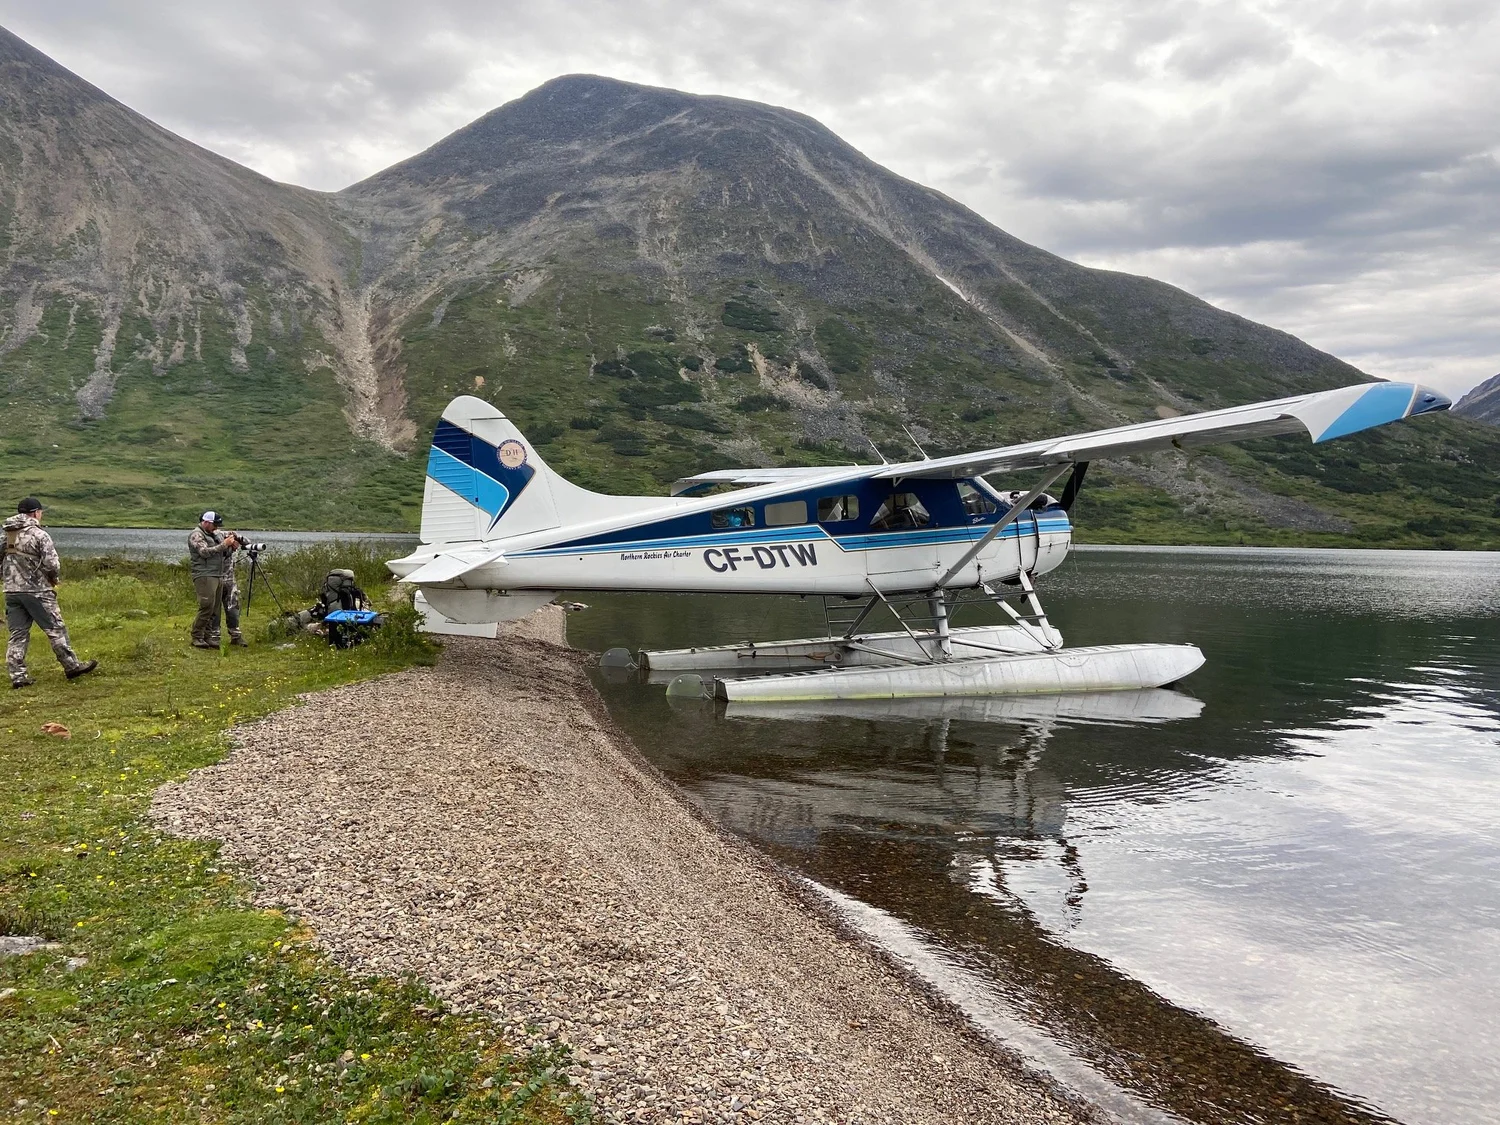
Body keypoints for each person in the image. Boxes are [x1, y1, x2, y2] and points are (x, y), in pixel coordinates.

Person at [2, 497, 97, 688]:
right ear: (36, 513)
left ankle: (18, 676)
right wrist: (53, 579)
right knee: (55, 629)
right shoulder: (39, 535)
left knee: (18, 634)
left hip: (11, 591)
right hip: (38, 591)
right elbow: (52, 564)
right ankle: (72, 666)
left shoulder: (6, 535)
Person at [187, 511, 244, 648]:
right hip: (204, 574)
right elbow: (204, 552)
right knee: (206, 606)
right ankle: (197, 636)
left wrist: (232, 544)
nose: (216, 528)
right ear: (206, 522)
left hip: (217, 574)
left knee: (214, 608)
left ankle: (208, 637)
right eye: (214, 525)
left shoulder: (214, 534)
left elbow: (221, 549)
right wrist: (225, 544)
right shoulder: (196, 535)